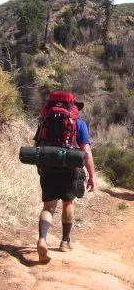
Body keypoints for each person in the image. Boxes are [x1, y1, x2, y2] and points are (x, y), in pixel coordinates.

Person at [34, 91, 97, 262]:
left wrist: (42, 166)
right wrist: (92, 175)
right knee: (68, 203)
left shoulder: (44, 121)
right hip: (70, 169)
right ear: (73, 107)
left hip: (48, 167)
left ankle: (42, 239)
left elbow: (37, 144)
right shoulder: (79, 124)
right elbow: (86, 151)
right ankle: (64, 241)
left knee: (48, 207)